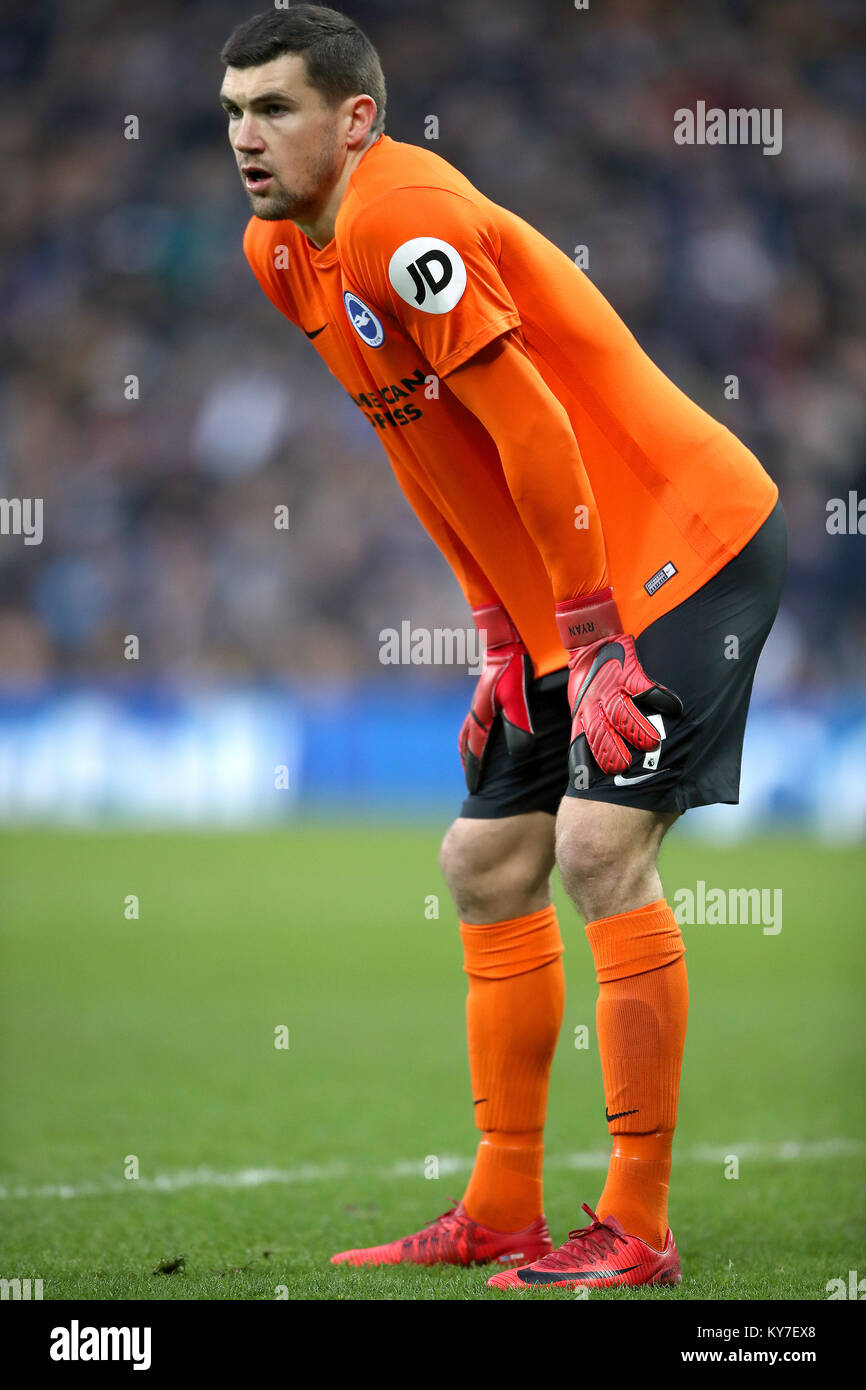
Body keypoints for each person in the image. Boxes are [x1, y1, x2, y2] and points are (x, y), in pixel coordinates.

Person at [219, 5, 786, 1291]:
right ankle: (500, 1204)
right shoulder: (281, 251)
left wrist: (584, 639)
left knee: (595, 845)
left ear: (356, 119)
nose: (247, 137)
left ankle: (637, 1225)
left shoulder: (395, 221)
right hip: (563, 581)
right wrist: (496, 630)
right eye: (234, 112)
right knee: (484, 861)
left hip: (682, 541)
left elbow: (531, 428)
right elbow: (417, 441)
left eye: (277, 109)